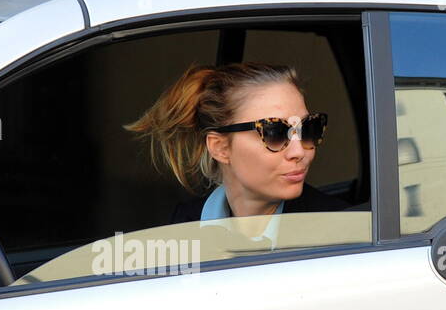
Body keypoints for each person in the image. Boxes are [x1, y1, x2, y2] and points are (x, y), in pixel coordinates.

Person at [124, 63, 347, 239]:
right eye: (274, 132)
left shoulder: (340, 230)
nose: (299, 151)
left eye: (309, 128)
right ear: (220, 148)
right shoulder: (185, 224)